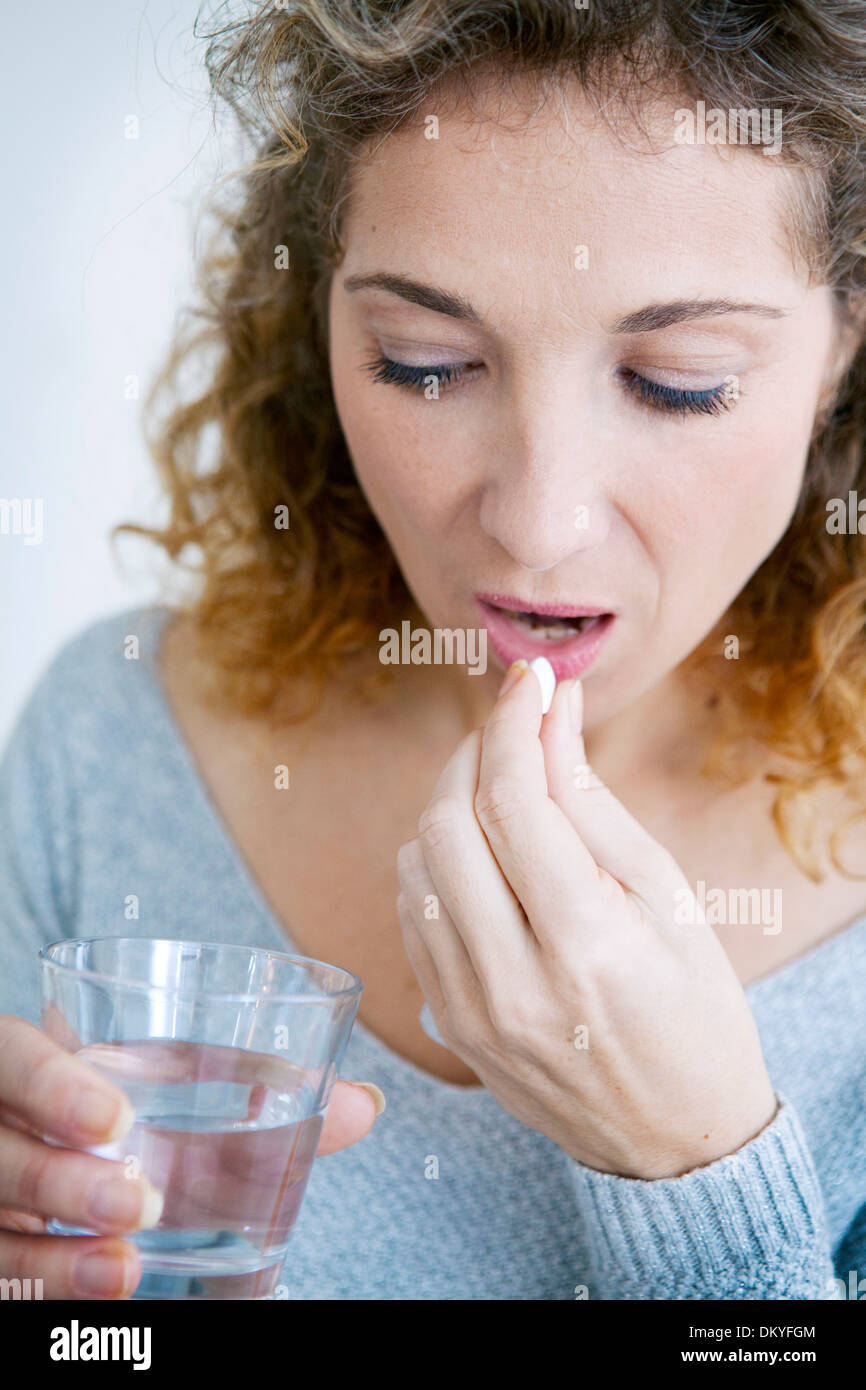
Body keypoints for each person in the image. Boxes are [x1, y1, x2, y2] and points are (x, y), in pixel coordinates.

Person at [1, 0, 865, 1301]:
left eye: (678, 379)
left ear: (842, 348)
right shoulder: (110, 736)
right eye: (424, 362)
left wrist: (700, 1169)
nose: (537, 514)